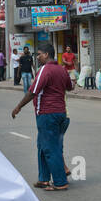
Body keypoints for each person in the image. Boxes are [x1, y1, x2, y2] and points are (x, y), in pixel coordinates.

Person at [12, 44, 71, 191]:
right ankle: (43, 179)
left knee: (51, 148)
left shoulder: (45, 70)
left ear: (46, 55)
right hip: (61, 113)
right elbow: (70, 87)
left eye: (39, 54)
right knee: (42, 146)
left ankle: (59, 182)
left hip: (47, 114)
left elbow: (33, 91)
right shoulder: (62, 69)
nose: (37, 57)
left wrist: (18, 107)